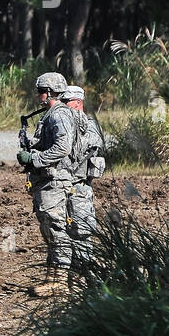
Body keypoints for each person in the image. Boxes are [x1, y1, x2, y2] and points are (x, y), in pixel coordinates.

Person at [17, 72, 77, 296]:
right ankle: (52, 277)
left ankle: (60, 281)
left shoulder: (58, 115)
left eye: (41, 91)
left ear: (51, 93)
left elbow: (62, 148)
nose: (38, 96)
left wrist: (34, 159)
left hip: (55, 180)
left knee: (56, 229)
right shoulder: (49, 115)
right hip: (46, 181)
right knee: (49, 230)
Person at [62, 85, 104, 265]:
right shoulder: (61, 123)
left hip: (78, 186)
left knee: (81, 230)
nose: (62, 106)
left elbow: (92, 147)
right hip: (60, 185)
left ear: (78, 103)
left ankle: (85, 268)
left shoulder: (89, 125)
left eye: (66, 102)